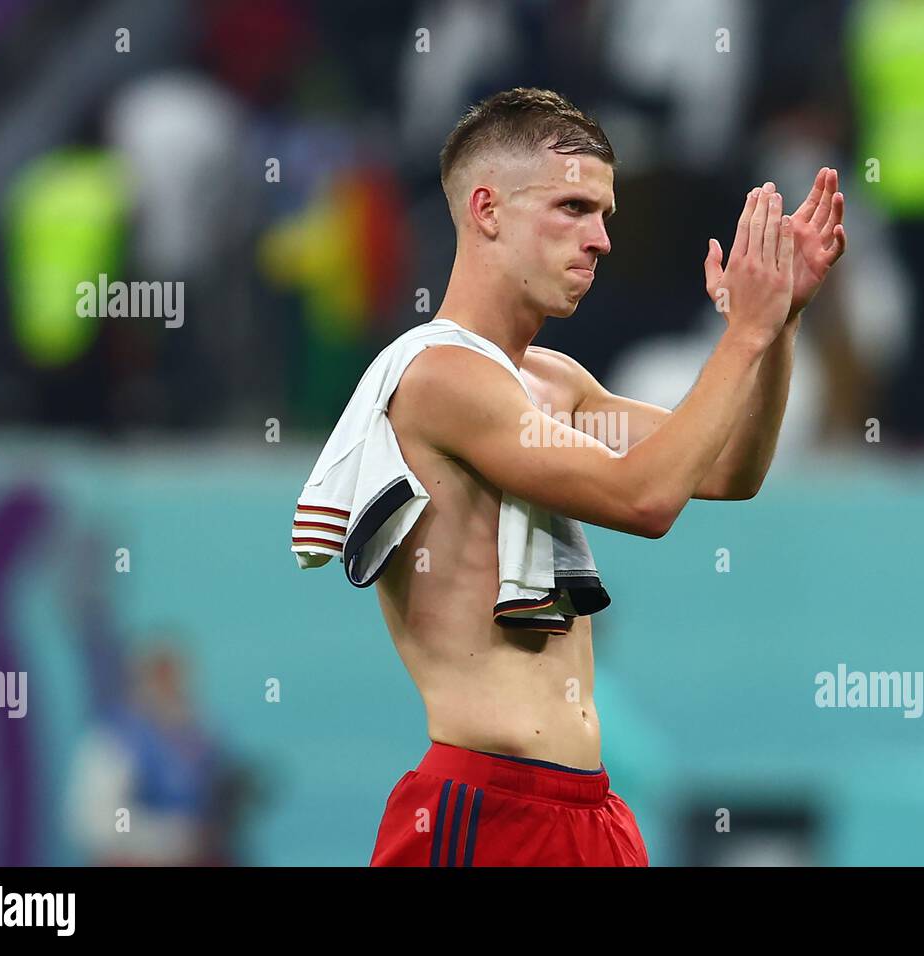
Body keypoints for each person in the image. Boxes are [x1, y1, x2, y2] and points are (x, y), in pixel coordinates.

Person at [333, 88, 845, 865]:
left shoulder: (556, 382)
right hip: (486, 814)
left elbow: (730, 470)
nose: (600, 240)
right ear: (487, 209)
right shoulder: (438, 377)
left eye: (605, 215)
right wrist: (742, 332)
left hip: (591, 815)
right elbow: (646, 498)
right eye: (573, 207)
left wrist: (780, 326)